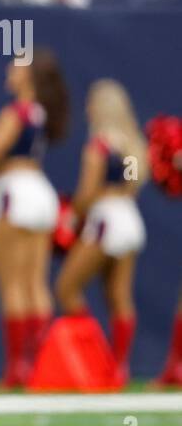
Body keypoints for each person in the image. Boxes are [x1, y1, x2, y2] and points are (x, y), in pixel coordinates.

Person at [0, 52, 69, 388]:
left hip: (14, 195)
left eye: (16, 65)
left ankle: (18, 368)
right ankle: (40, 365)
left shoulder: (15, 112)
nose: (9, 68)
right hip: (41, 194)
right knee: (36, 284)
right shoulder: (39, 113)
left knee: (13, 286)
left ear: (29, 75)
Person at [55, 79, 148, 385]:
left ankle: (97, 358)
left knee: (67, 287)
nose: (87, 109)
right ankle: (119, 368)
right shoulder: (131, 145)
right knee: (119, 296)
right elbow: (131, 188)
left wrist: (71, 214)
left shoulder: (99, 146)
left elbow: (87, 195)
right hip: (130, 220)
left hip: (106, 221)